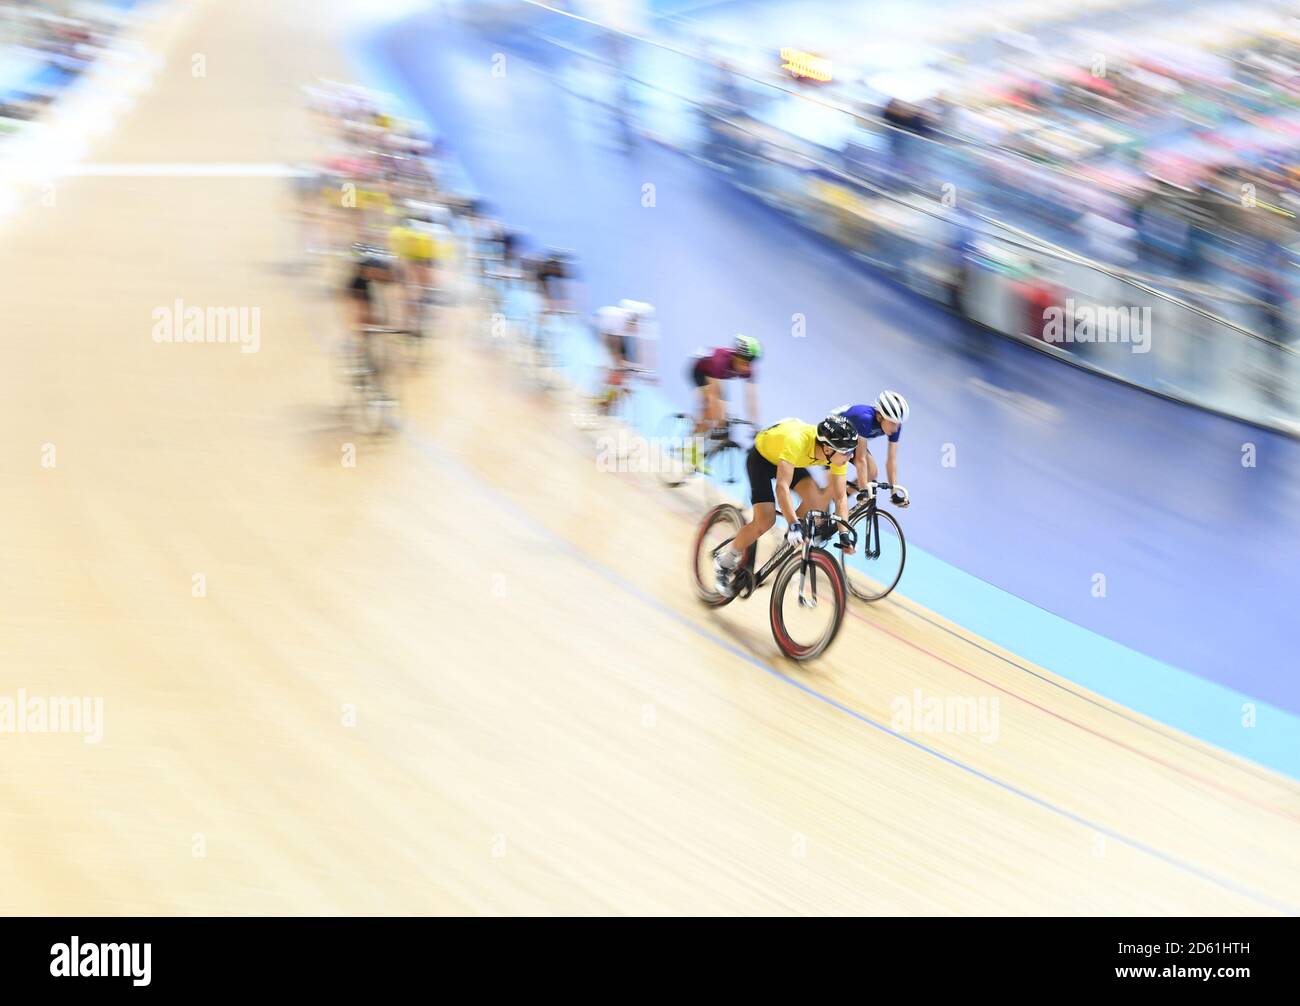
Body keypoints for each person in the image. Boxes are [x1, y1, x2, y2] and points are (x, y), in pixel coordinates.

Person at [713, 414, 858, 596]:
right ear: (828, 449)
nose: (851, 456)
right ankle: (725, 561)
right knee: (765, 520)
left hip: (790, 460)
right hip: (762, 460)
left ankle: (784, 546)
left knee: (816, 503)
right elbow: (782, 488)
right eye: (847, 451)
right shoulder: (797, 441)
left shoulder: (838, 456)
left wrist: (844, 533)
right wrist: (793, 523)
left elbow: (840, 497)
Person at [831, 391, 911, 508]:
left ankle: (839, 498)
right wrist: (863, 490)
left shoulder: (895, 426)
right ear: (879, 417)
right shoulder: (865, 419)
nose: (896, 428)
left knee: (872, 473)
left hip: (851, 437)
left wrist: (894, 494)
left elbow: (892, 460)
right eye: (893, 423)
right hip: (834, 434)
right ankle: (837, 499)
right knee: (866, 473)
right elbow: (860, 459)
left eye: (898, 424)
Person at [689, 335, 761, 434]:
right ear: (736, 356)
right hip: (700, 371)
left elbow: (752, 398)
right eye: (743, 362)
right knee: (710, 411)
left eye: (749, 362)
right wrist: (719, 422)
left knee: (723, 413)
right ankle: (691, 440)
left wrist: (755, 425)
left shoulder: (749, 370)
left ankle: (704, 435)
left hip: (716, 376)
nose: (745, 367)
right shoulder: (719, 362)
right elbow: (713, 395)